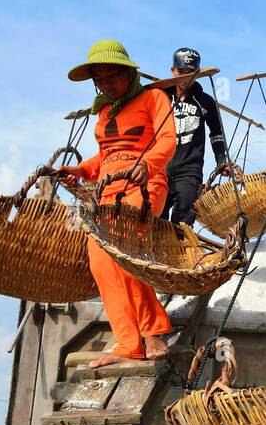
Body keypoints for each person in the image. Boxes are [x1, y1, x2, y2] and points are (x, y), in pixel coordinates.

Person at [58, 39, 178, 369]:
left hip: (144, 183)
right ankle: (128, 342)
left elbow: (168, 141)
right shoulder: (104, 111)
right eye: (99, 80)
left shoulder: (154, 98)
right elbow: (106, 156)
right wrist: (82, 169)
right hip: (105, 190)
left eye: (111, 76)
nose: (105, 84)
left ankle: (153, 331)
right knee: (100, 261)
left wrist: (148, 163)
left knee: (127, 252)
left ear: (127, 72)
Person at [163, 46, 238, 225]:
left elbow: (217, 133)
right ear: (172, 70)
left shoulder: (205, 102)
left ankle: (180, 251)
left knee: (183, 221)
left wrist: (222, 161)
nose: (185, 77)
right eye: (181, 71)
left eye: (191, 73)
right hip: (160, 168)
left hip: (189, 170)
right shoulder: (160, 96)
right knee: (153, 218)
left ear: (198, 74)